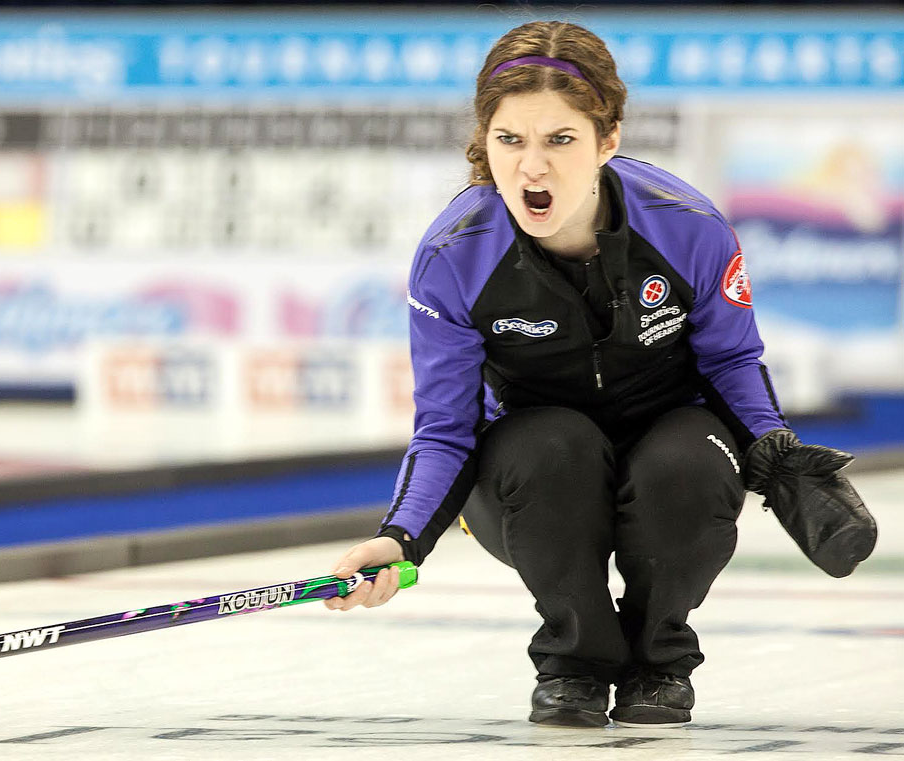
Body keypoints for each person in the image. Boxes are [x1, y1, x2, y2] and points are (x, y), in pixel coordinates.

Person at [323, 20, 876, 728]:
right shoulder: (451, 258)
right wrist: (398, 539)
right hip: (532, 472)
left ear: (606, 140)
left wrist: (775, 453)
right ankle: (573, 662)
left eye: (559, 140)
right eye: (509, 140)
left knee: (685, 463)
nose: (531, 168)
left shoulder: (689, 228)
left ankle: (658, 659)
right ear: (484, 142)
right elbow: (444, 429)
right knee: (554, 444)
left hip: (669, 442)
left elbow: (731, 363)